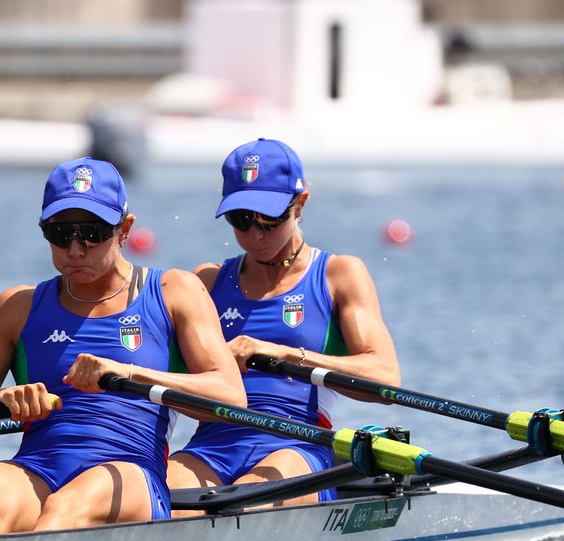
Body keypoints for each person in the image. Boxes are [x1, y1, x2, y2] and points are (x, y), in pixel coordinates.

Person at [0, 156, 246, 541]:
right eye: (59, 234)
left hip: (129, 473)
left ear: (125, 229)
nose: (75, 249)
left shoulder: (174, 291)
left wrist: (127, 373)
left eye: (92, 232)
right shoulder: (17, 307)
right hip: (38, 467)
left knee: (69, 505)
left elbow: (230, 397)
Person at [167, 138, 400, 508]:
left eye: (271, 220)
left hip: (297, 443)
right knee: (159, 502)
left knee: (248, 503)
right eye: (241, 221)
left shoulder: (338, 275)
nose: (256, 236)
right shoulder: (208, 282)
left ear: (301, 203)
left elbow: (385, 378)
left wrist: (283, 354)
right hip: (211, 445)